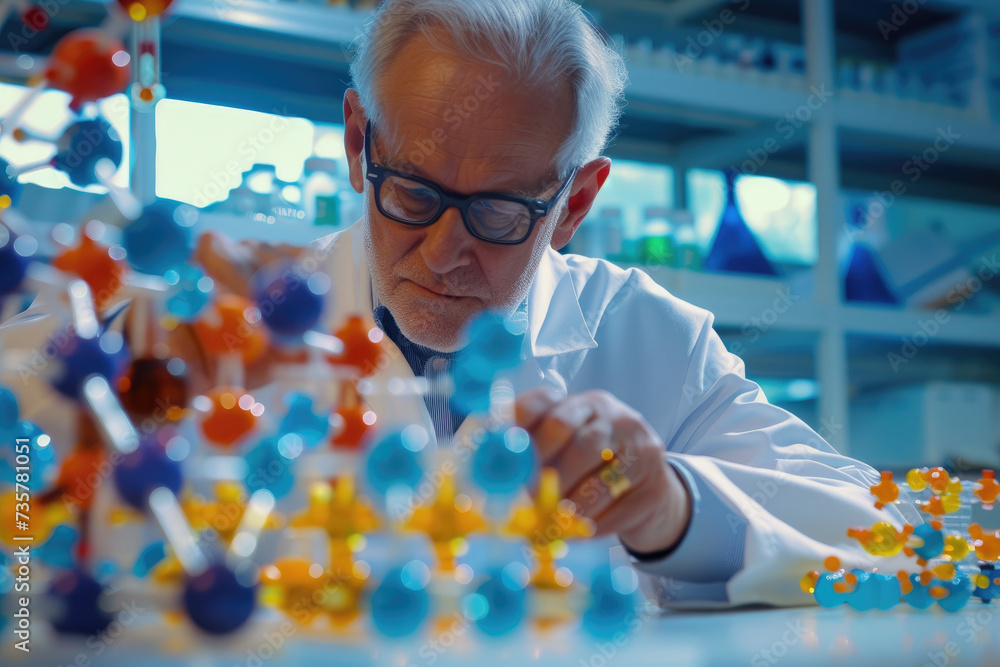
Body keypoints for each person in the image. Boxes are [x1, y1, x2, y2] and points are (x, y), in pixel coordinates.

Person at [0, 0, 904, 609]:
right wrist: (85, 408)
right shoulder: (218, 326)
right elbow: (26, 535)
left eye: (501, 211)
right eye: (415, 194)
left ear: (575, 204)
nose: (444, 254)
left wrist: (671, 506)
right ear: (359, 144)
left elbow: (885, 528)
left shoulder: (648, 335)